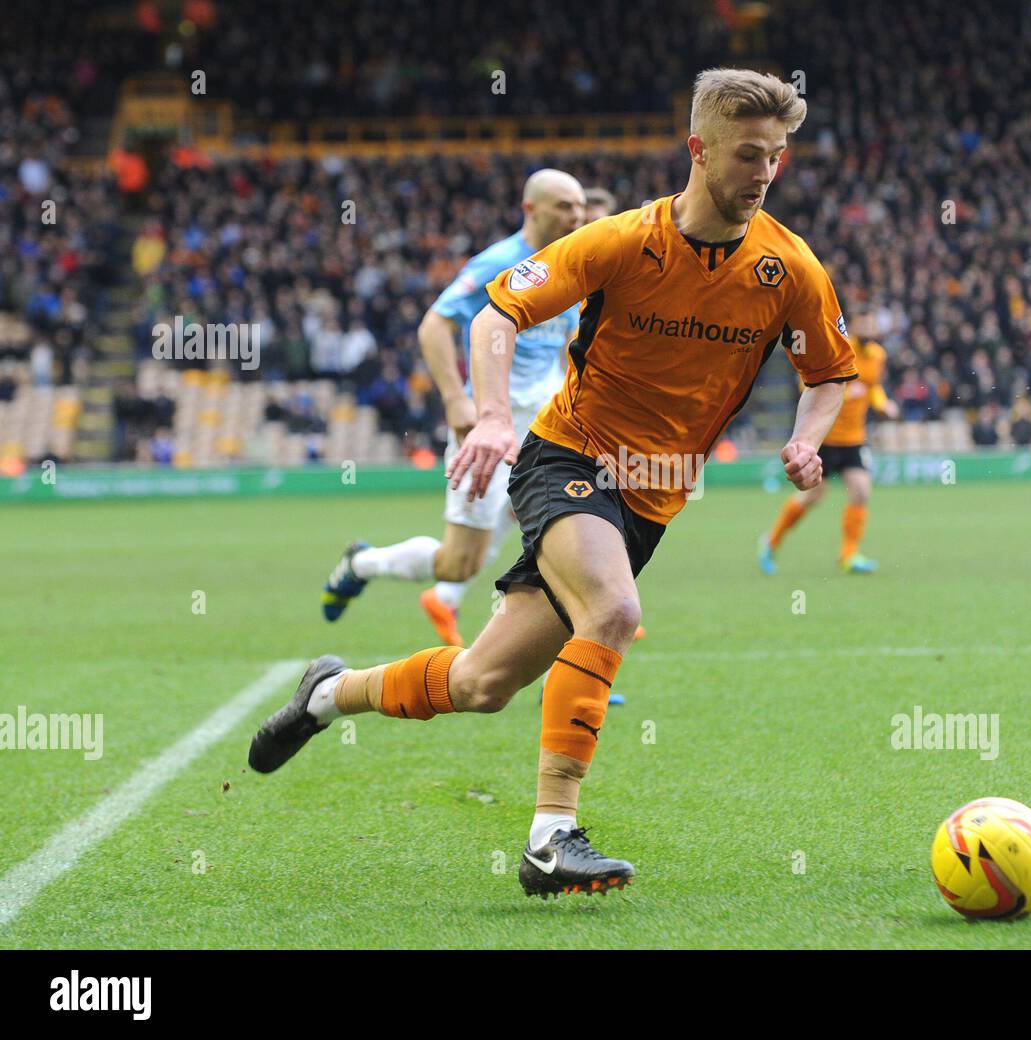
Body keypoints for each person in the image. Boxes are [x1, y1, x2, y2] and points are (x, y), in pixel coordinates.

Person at [251, 68, 857, 899]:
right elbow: (496, 314)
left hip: (652, 498)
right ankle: (550, 839)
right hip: (568, 457)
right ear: (698, 148)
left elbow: (829, 372)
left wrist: (806, 438)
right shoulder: (621, 241)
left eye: (776, 156)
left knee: (482, 683)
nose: (764, 173)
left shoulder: (789, 266)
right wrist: (492, 416)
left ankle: (327, 695)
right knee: (614, 612)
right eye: (748, 154)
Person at [318, 169, 586, 647]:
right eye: (564, 205)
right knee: (458, 562)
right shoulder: (499, 263)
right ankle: (363, 563)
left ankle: (577, 642)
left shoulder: (571, 264)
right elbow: (434, 325)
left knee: (566, 525)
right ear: (530, 209)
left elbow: (565, 343)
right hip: (491, 426)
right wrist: (456, 400)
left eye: (580, 206)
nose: (577, 215)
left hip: (545, 424)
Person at [759, 317, 896, 574]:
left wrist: (882, 404)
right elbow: (810, 383)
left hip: (854, 438)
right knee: (812, 496)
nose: (870, 330)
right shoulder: (838, 348)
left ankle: (849, 555)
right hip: (826, 437)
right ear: (853, 325)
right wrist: (840, 394)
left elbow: (873, 387)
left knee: (861, 491)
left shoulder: (878, 355)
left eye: (873, 325)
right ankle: (771, 542)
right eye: (865, 324)